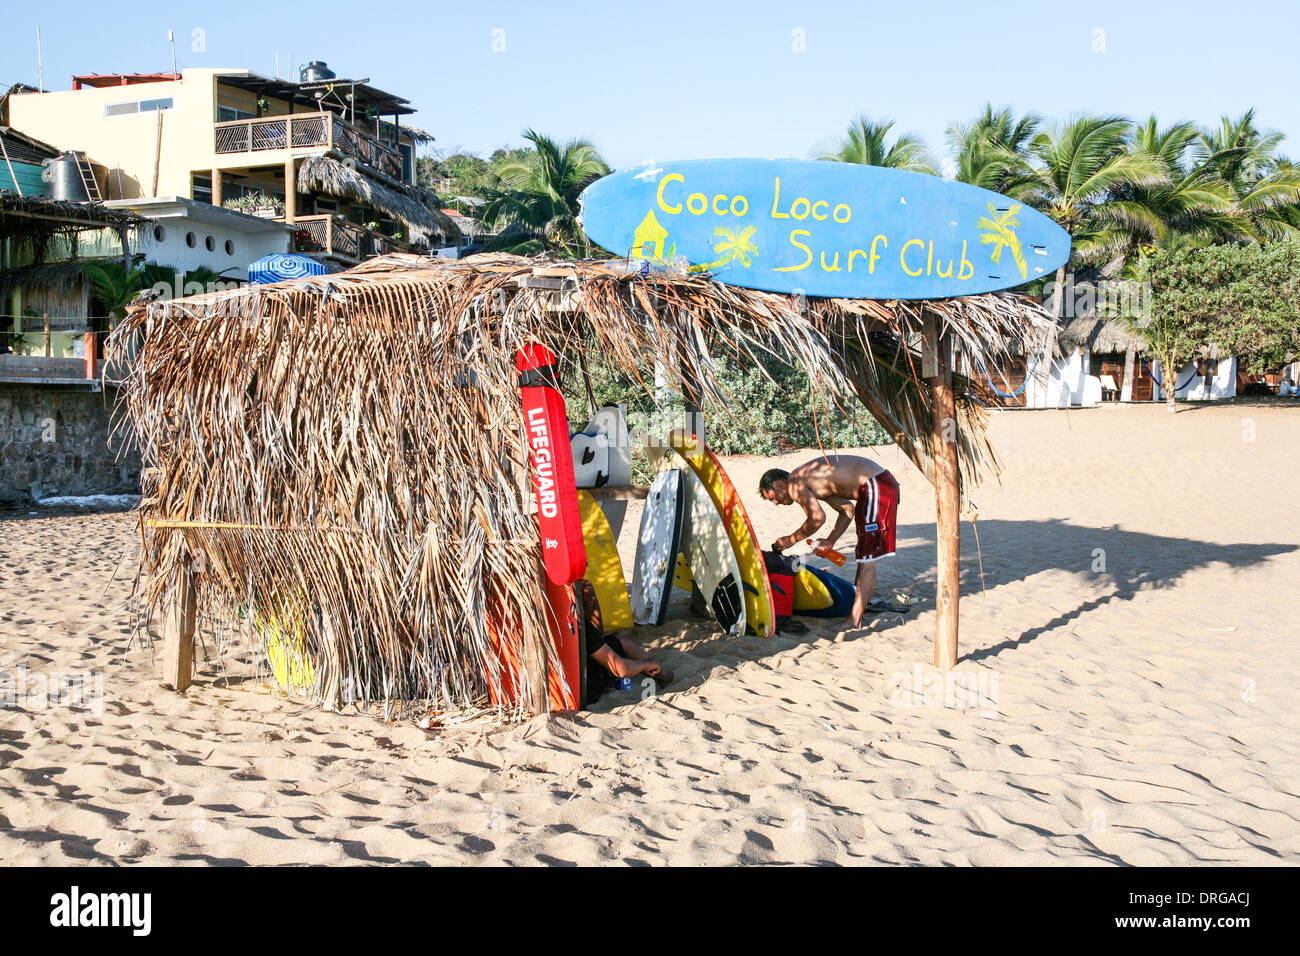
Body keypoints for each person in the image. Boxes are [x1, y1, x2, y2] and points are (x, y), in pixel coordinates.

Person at [758, 455, 900, 627]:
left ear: (778, 484)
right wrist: (830, 541)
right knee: (863, 554)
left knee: (867, 558)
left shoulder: (793, 482)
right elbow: (847, 510)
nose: (775, 503)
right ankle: (857, 607)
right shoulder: (812, 482)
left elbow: (817, 518)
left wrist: (791, 539)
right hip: (874, 487)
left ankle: (855, 620)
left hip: (875, 486)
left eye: (772, 497)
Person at [575, 580, 671, 701]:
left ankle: (660, 673)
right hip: (584, 688)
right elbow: (621, 669)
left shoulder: (554, 613)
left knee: (613, 641)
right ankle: (662, 674)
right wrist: (645, 665)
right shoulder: (576, 621)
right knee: (622, 644)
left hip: (571, 675)